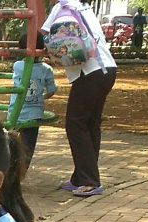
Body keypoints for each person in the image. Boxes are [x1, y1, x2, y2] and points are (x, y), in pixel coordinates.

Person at [44, 0, 117, 198]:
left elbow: (42, 35)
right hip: (107, 69)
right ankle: (81, 177)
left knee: (75, 124)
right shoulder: (83, 7)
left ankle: (89, 181)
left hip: (89, 72)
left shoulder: (61, 7)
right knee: (90, 124)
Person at [10, 32, 57, 166]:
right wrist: (40, 98)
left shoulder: (18, 66)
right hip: (35, 114)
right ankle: (23, 171)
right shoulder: (46, 69)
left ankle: (11, 168)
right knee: (28, 146)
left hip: (16, 111)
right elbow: (51, 91)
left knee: (12, 141)